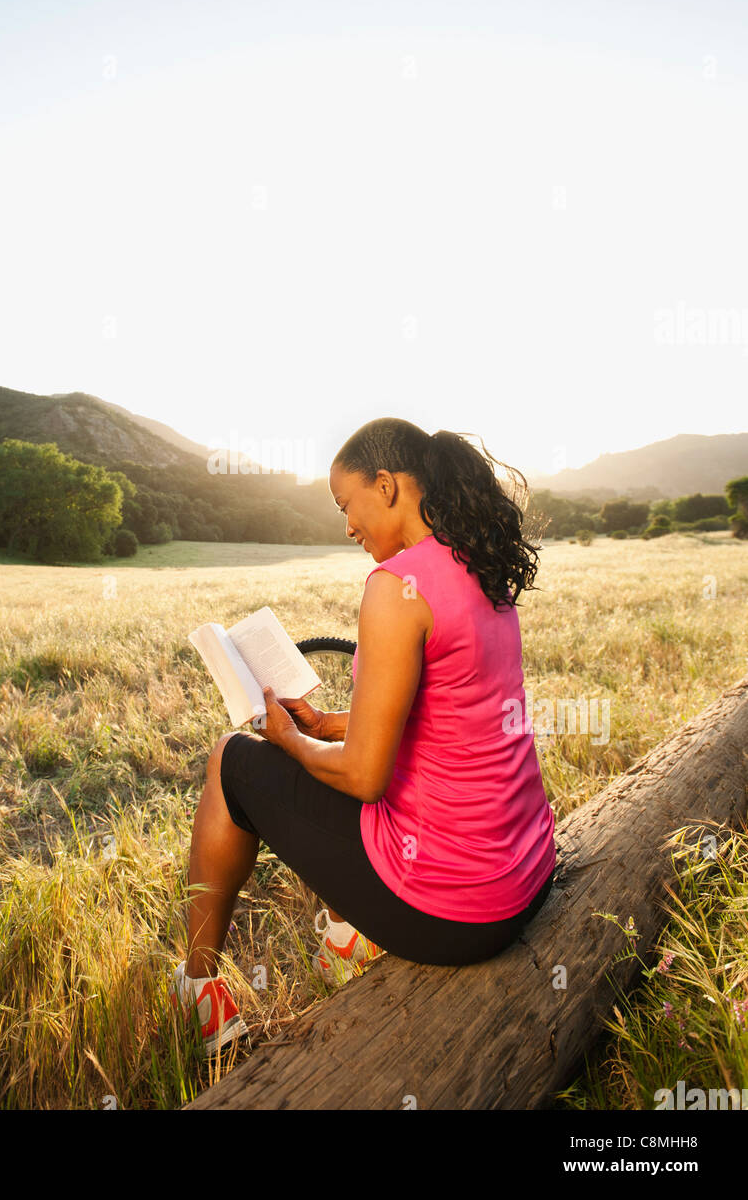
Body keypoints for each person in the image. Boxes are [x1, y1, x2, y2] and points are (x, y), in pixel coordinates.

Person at [170, 417, 557, 1052]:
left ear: (386, 486)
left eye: (347, 504)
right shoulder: (480, 567)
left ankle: (198, 990)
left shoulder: (394, 587)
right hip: (526, 880)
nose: (347, 526)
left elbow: (364, 775)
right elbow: (447, 715)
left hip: (455, 914)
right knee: (322, 764)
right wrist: (322, 725)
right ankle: (344, 939)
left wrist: (290, 741)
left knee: (230, 760)